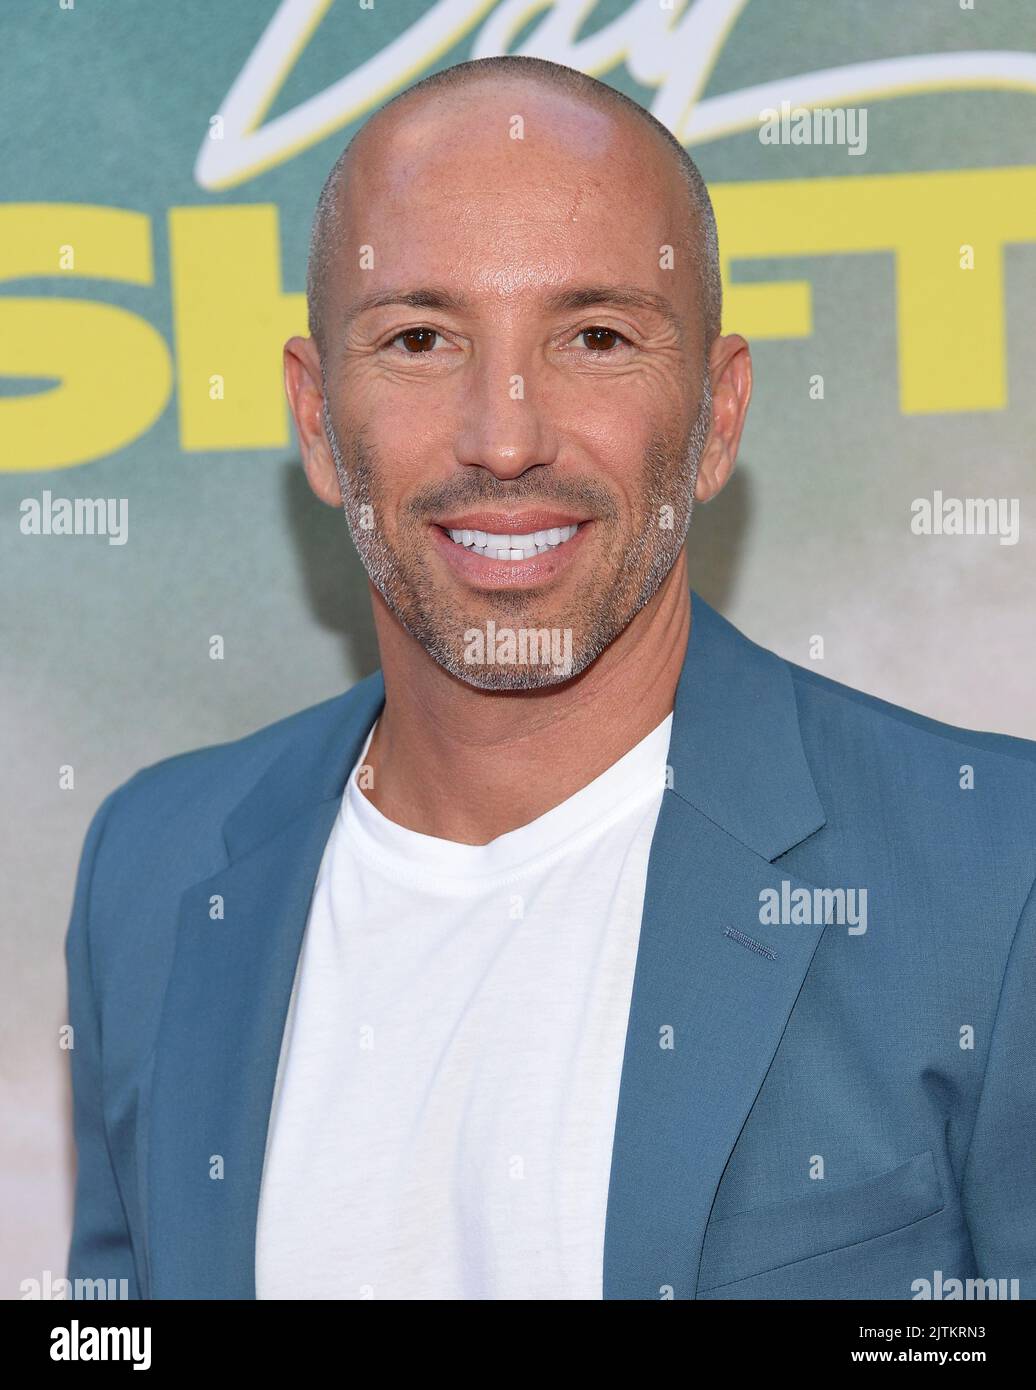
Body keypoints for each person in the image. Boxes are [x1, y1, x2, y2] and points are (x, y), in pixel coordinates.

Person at [66, 55, 1036, 1301]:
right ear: (316, 419)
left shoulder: (991, 870)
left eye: (594, 337)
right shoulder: (152, 869)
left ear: (717, 414)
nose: (506, 436)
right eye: (420, 337)